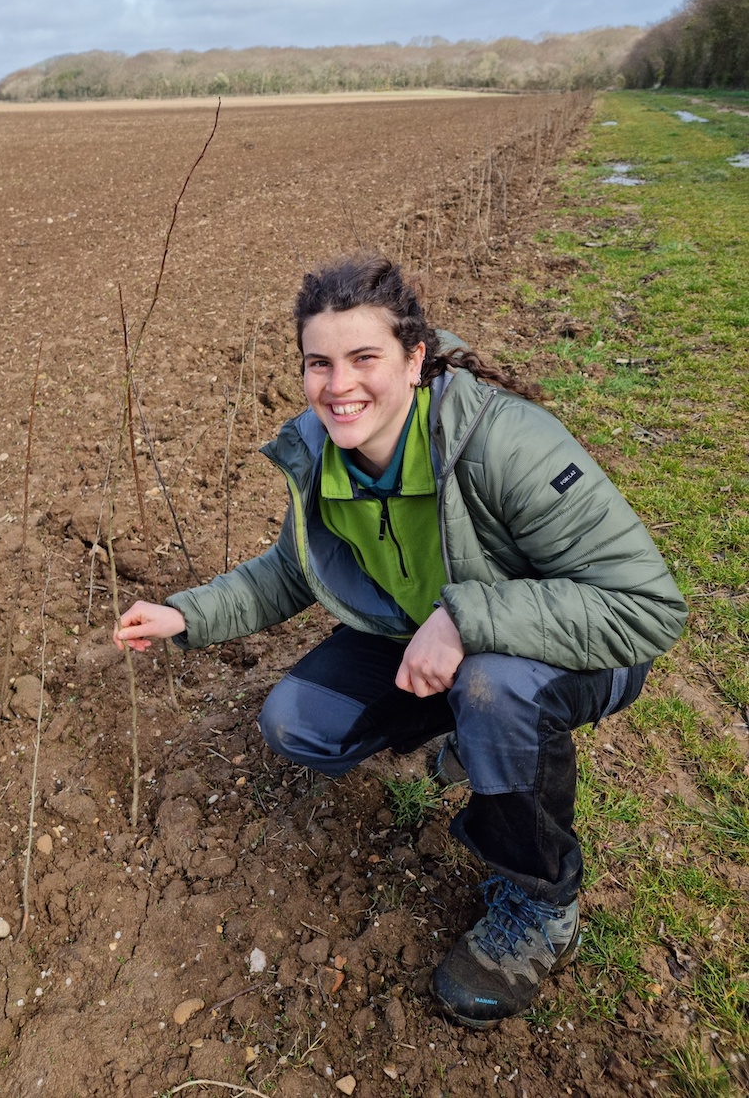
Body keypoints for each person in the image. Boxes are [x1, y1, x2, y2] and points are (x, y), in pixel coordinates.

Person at [113, 254, 687, 1029]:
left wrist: (465, 618)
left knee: (492, 688)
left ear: (414, 359)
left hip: (584, 645)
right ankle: (482, 738)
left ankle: (542, 897)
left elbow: (645, 607)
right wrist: (185, 614)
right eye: (319, 362)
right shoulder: (323, 455)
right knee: (297, 719)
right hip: (434, 636)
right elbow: (290, 571)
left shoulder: (500, 443)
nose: (338, 384)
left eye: (363, 358)